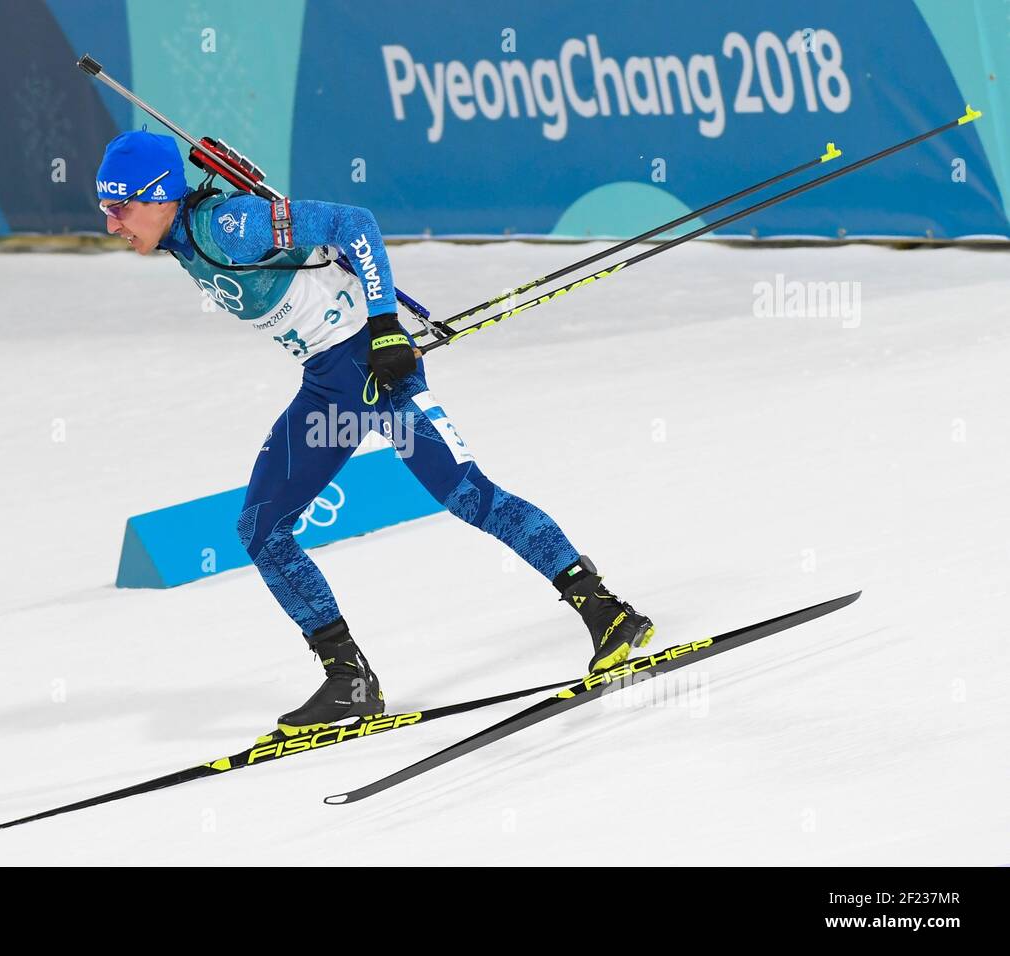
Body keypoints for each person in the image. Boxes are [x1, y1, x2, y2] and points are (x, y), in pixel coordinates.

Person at [96, 130, 653, 737]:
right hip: (328, 381)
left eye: (118, 208)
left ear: (157, 196)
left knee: (463, 494)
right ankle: (349, 681)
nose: (111, 225)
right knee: (264, 527)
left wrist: (387, 326)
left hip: (366, 364)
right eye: (105, 211)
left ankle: (604, 611)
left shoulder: (232, 226)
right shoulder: (183, 234)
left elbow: (353, 223)